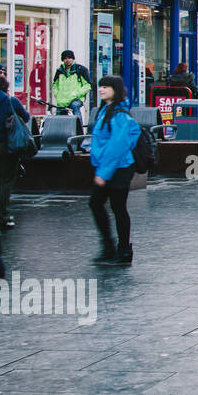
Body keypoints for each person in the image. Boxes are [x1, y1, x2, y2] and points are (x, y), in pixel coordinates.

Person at [88, 75, 142, 265]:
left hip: (119, 168)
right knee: (97, 203)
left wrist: (103, 174)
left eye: (106, 87)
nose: (101, 90)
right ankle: (110, 248)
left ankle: (123, 250)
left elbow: (117, 146)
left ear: (116, 90)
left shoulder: (119, 114)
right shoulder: (104, 110)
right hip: (107, 167)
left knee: (118, 208)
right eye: (100, 86)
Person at [0, 73, 30, 229]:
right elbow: (25, 117)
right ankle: (2, 216)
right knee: (5, 181)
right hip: (5, 146)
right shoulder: (8, 100)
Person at [51, 49, 91, 119]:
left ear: (73, 59)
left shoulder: (81, 69)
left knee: (75, 107)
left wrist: (76, 94)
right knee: (58, 117)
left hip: (76, 99)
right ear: (63, 60)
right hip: (62, 100)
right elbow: (55, 85)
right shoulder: (59, 71)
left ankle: (79, 128)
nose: (67, 60)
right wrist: (57, 95)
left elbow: (88, 85)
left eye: (69, 58)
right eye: (65, 58)